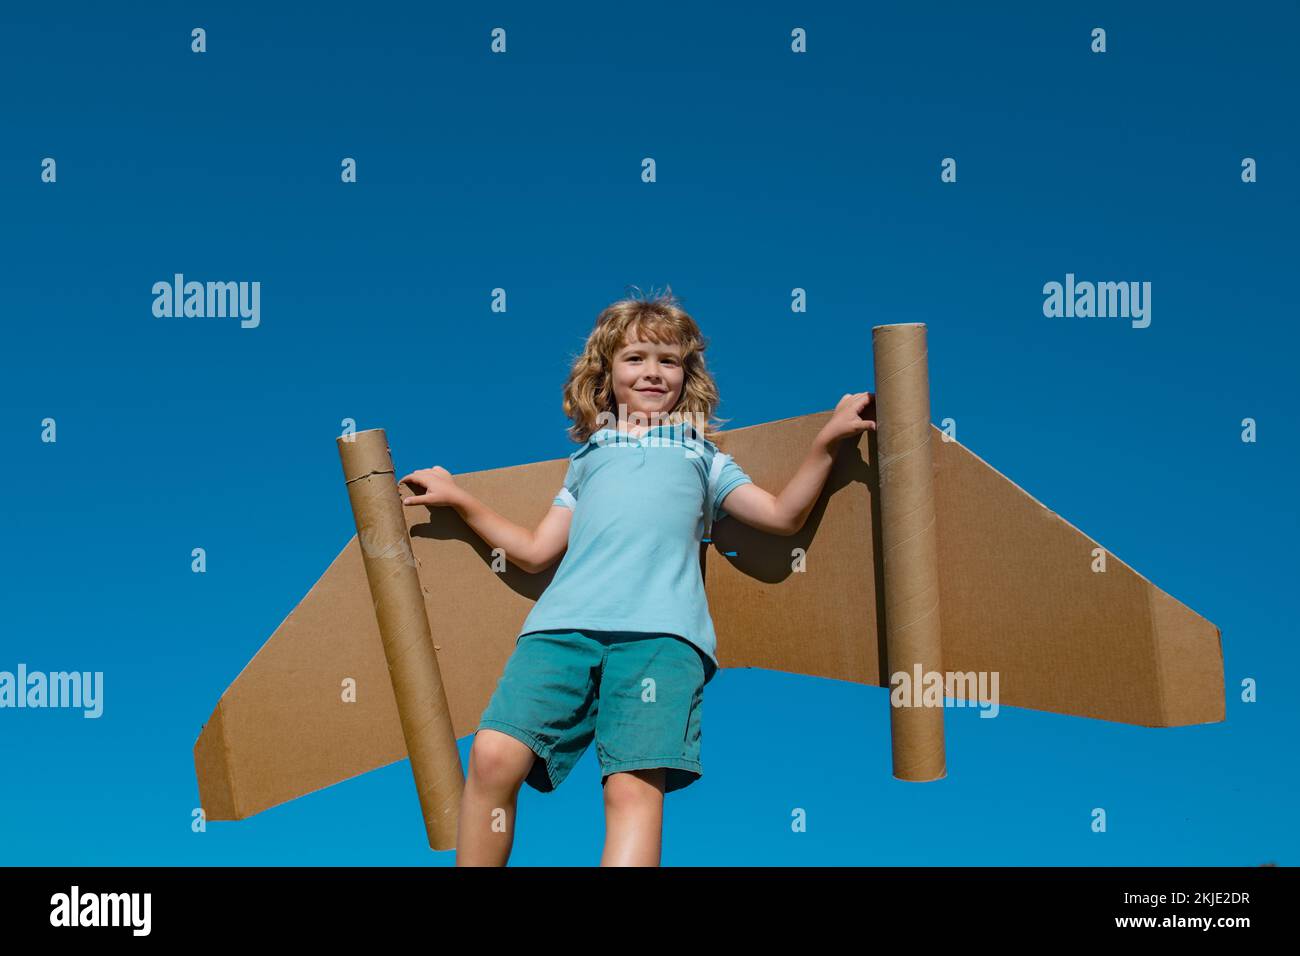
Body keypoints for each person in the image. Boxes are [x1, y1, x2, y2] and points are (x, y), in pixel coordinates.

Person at [399, 286, 875, 865]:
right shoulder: (587, 460)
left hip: (662, 640)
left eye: (668, 360)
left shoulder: (701, 456)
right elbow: (532, 551)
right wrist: (459, 499)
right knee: (493, 756)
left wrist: (827, 441)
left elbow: (781, 516)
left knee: (631, 787)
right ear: (606, 374)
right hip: (559, 630)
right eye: (636, 358)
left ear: (686, 375)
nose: (653, 372)